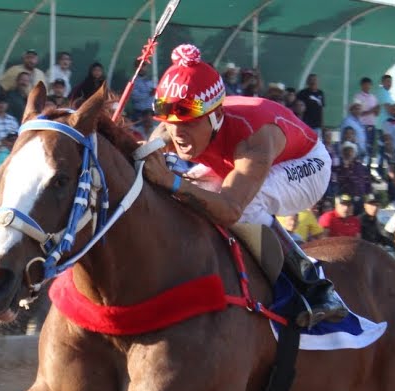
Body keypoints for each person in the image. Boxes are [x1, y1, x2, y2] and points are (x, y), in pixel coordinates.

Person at [144, 44, 345, 327]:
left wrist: (170, 180)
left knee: (242, 204)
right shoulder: (172, 126)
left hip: (308, 164)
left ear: (215, 116)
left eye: (188, 122)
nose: (177, 132)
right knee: (187, 192)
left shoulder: (254, 137)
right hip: (234, 164)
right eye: (168, 119)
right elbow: (142, 156)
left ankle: (315, 287)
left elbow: (230, 209)